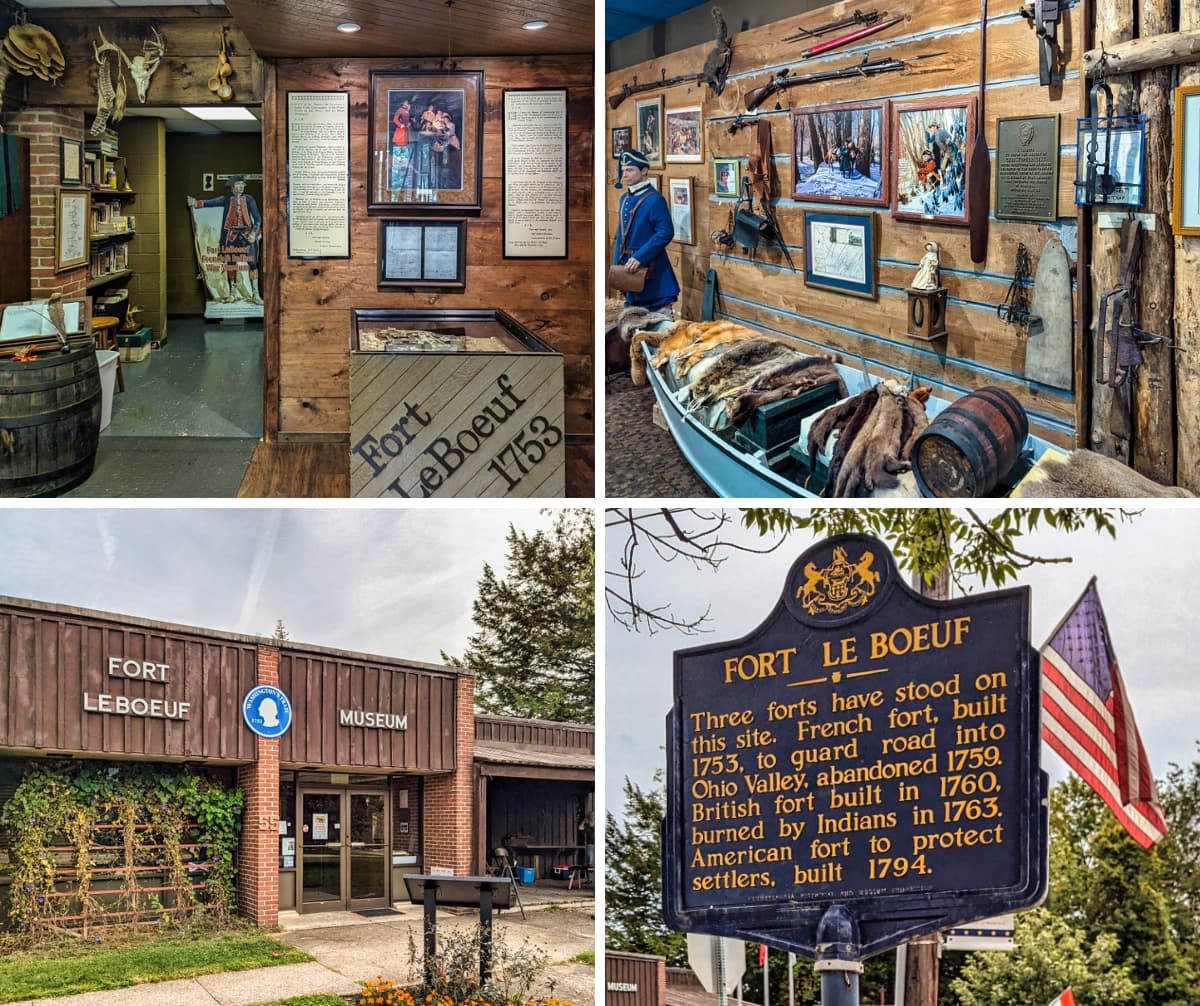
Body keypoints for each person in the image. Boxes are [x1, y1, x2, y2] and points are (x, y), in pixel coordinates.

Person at [611, 148, 679, 314]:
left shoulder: (655, 199)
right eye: (623, 170)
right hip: (629, 271)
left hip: (651, 270)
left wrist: (640, 257)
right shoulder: (624, 199)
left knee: (660, 324)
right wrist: (617, 265)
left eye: (630, 170)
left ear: (644, 171)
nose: (625, 174)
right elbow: (621, 236)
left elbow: (665, 232)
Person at [187, 175, 262, 304]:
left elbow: (258, 219)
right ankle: (232, 293)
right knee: (231, 265)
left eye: (242, 184)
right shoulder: (226, 199)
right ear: (232, 187)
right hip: (231, 237)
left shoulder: (249, 200)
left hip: (247, 237)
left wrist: (253, 234)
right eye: (237, 184)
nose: (240, 187)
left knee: (253, 264)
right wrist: (196, 203)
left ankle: (256, 295)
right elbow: (211, 202)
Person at [390, 97, 413, 190]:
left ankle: (402, 177)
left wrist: (409, 124)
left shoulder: (407, 111)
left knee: (404, 154)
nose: (408, 105)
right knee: (399, 152)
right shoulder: (400, 110)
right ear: (404, 103)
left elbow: (406, 120)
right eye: (407, 103)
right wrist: (401, 125)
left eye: (409, 103)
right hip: (401, 133)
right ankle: (397, 180)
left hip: (406, 132)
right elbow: (395, 119)